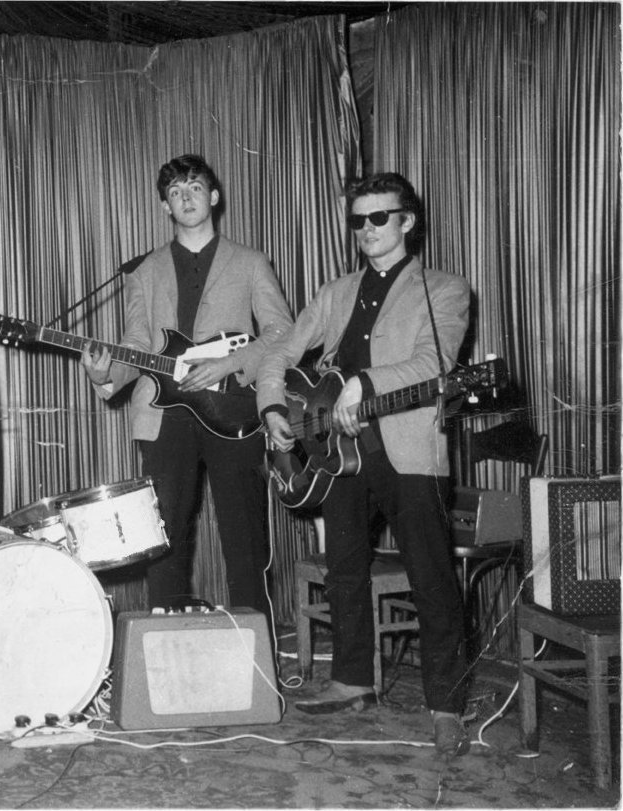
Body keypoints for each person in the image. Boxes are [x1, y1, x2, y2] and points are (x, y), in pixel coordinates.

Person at [257, 171, 471, 758]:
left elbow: (435, 364)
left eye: (381, 217)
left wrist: (363, 384)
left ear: (408, 221)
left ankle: (446, 703)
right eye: (359, 220)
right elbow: (280, 350)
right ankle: (352, 679)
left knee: (431, 578)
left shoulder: (445, 290)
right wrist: (273, 402)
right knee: (344, 568)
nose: (369, 229)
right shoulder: (335, 291)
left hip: (407, 453)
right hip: (336, 456)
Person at [80, 154, 292, 621]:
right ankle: (165, 654)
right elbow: (137, 342)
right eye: (175, 193)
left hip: (230, 406)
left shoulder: (252, 262)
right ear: (165, 207)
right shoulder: (143, 271)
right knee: (165, 537)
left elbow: (281, 332)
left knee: (244, 537)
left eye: (194, 188)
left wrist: (230, 364)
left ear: (213, 197)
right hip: (163, 413)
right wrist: (104, 374)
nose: (186, 198)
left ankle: (255, 658)